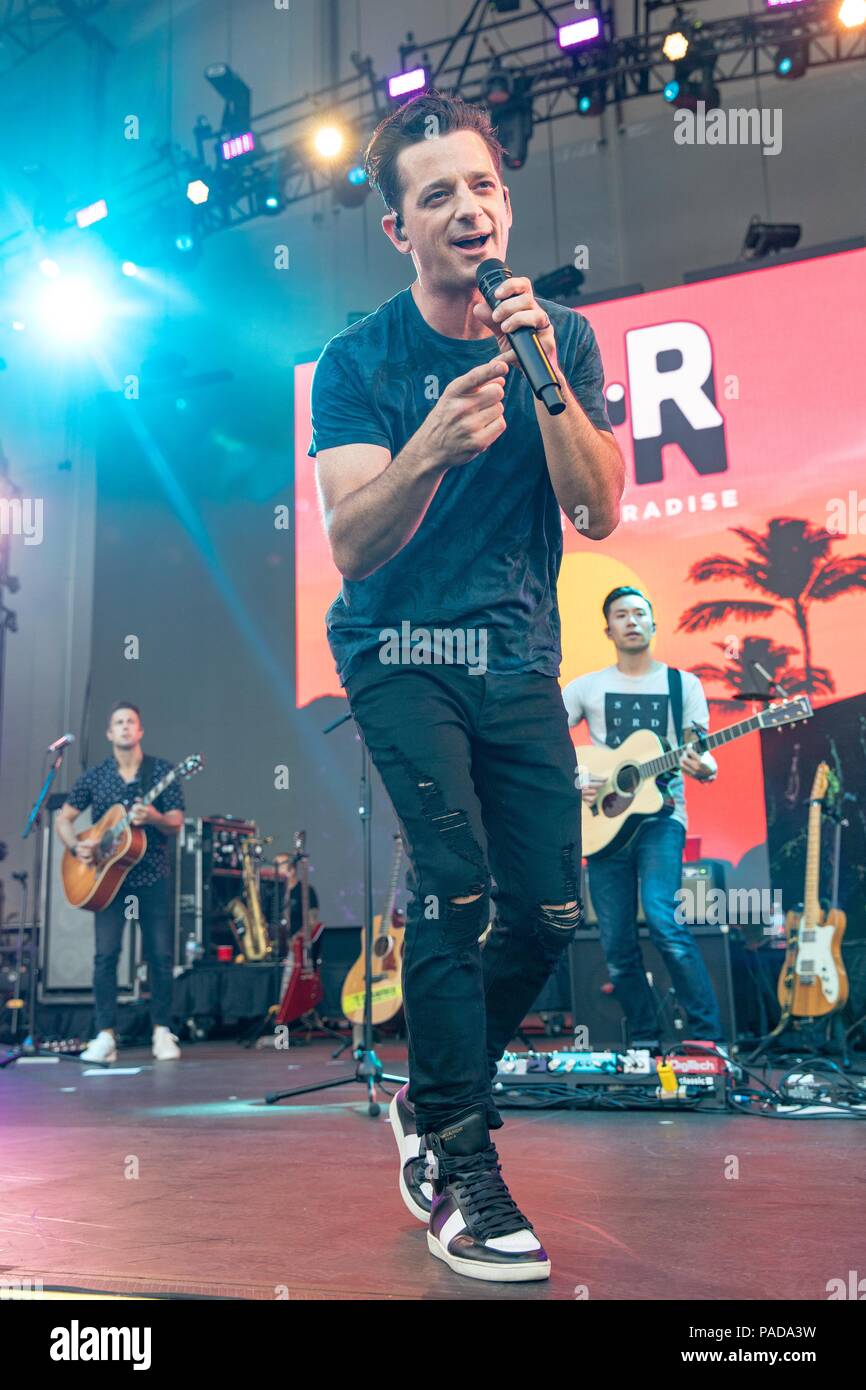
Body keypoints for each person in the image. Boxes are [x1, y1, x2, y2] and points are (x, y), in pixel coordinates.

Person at [309, 91, 624, 1282]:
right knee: (454, 881)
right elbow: (350, 542)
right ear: (399, 230)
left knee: (546, 911)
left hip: (516, 652)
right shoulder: (358, 362)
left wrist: (540, 366)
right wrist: (431, 446)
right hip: (396, 647)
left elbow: (595, 505)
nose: (468, 209)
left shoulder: (561, 338)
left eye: (481, 187)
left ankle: (433, 1098)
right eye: (435, 193)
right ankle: (458, 1152)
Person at [563, 586, 724, 1045]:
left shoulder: (683, 685)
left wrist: (706, 768)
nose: (631, 620)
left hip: (661, 819)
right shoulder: (587, 687)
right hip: (602, 823)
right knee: (615, 945)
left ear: (654, 624)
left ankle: (706, 1039)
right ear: (607, 629)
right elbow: (543, 740)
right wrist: (577, 775)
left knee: (664, 921)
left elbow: (704, 755)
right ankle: (646, 1041)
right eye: (621, 614)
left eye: (640, 613)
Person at [55, 702, 185, 1062]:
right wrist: (77, 846)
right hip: (106, 882)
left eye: (131, 722)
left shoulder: (161, 772)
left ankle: (162, 1031)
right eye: (118, 722)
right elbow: (63, 820)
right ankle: (105, 1035)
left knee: (160, 955)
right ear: (110, 734)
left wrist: (156, 816)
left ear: (140, 731)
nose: (126, 727)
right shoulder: (95, 777)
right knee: (105, 956)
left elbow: (176, 822)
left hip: (151, 877)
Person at [267, 851, 322, 964]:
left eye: (279, 866)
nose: (274, 870)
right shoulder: (272, 893)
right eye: (274, 866)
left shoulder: (306, 891)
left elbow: (312, 922)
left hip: (298, 950)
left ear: (291, 871)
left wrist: (296, 941)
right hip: (275, 950)